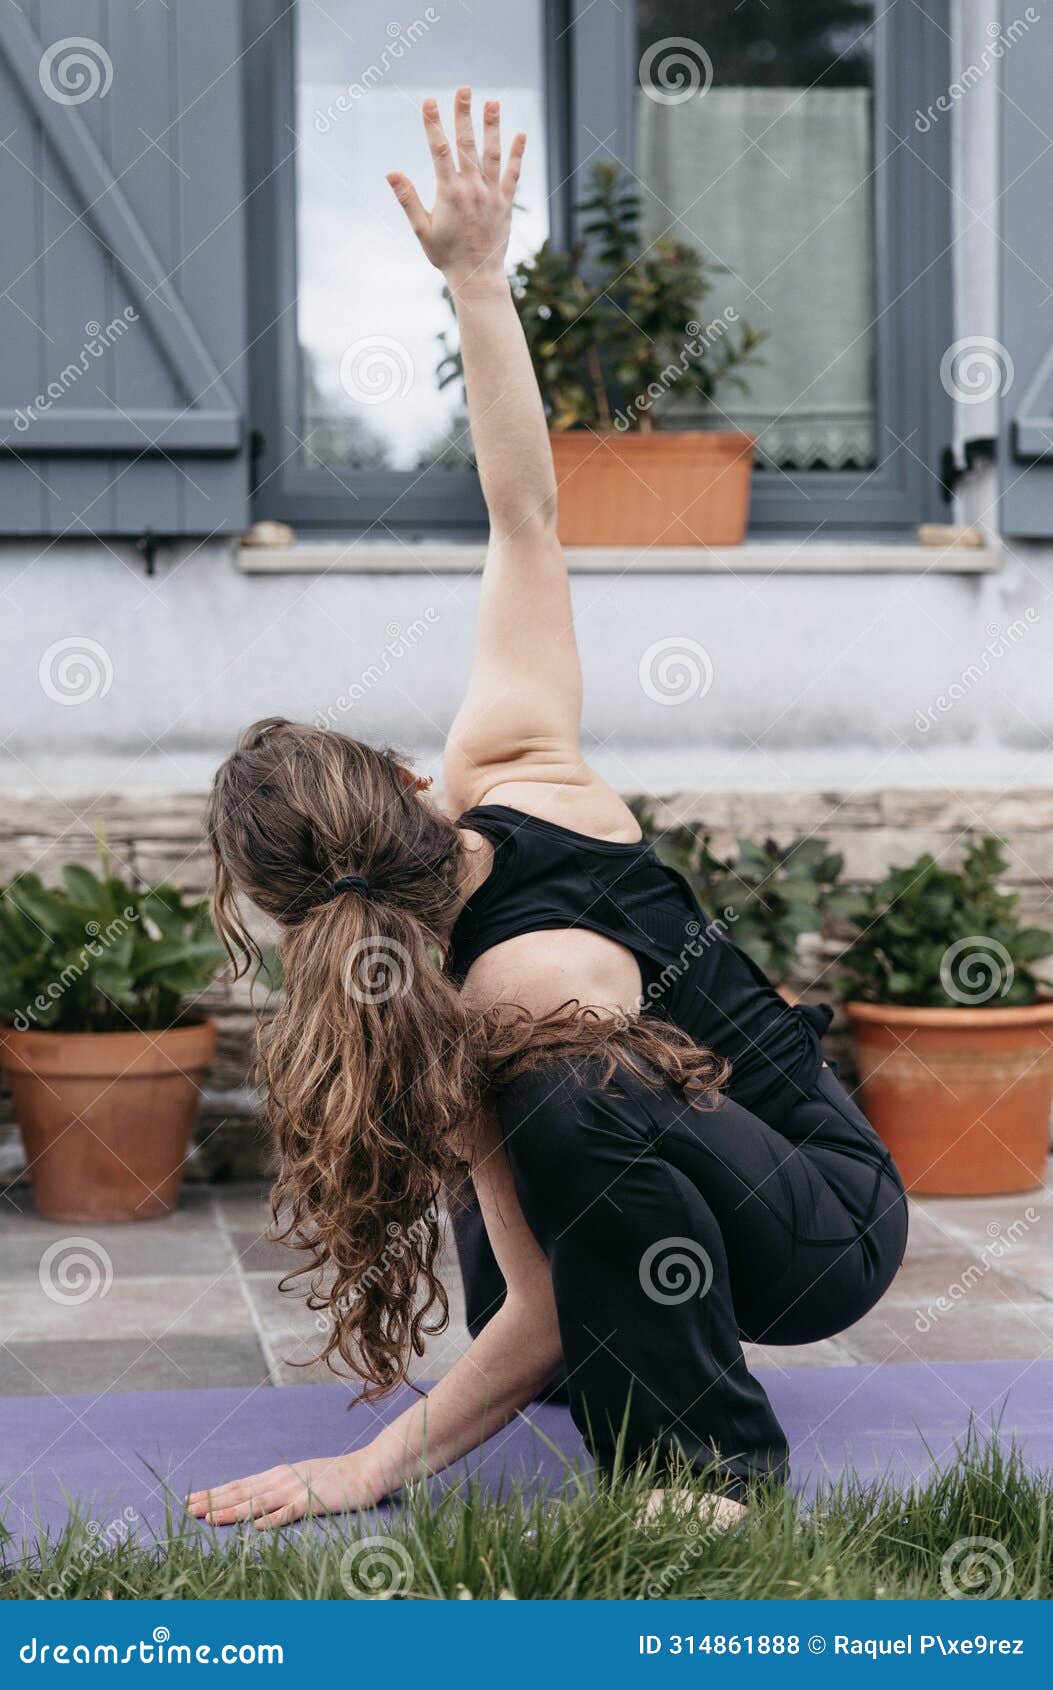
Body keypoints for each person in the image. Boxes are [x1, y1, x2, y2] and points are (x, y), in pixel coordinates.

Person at [189, 90, 907, 1533]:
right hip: (696, 1189)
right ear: (406, 780)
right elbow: (527, 512)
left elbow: (532, 1313)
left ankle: (716, 1478)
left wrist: (365, 1466)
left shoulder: (513, 982)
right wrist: (473, 277)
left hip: (826, 1226)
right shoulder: (510, 761)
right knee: (533, 1149)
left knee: (566, 1109)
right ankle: (645, 1385)